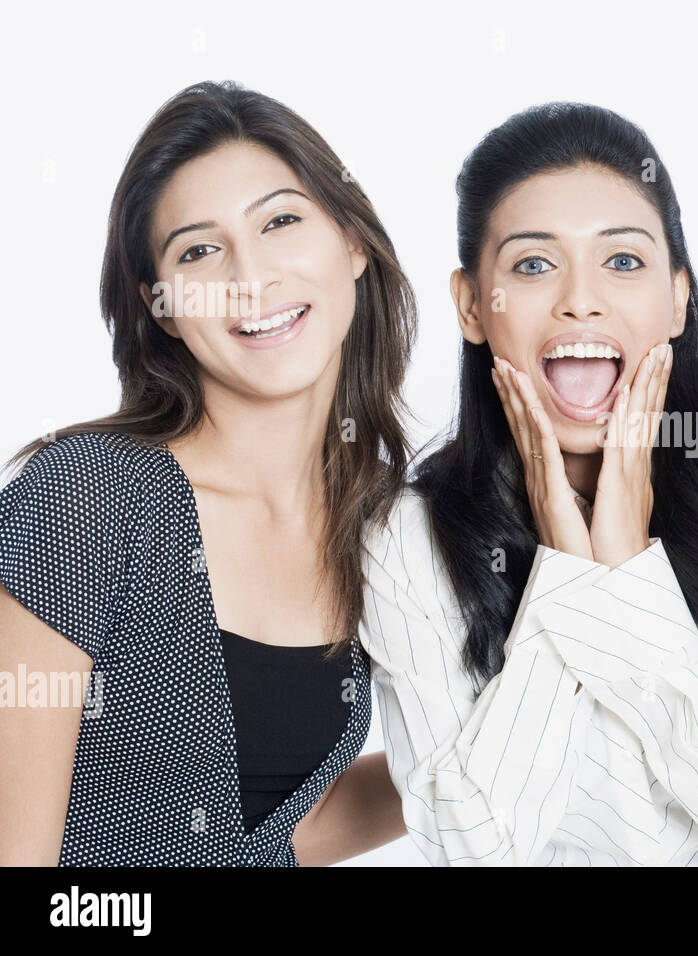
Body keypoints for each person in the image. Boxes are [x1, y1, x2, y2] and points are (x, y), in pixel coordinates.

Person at [360, 102, 698, 865]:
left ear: (678, 298)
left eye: (622, 262)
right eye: (532, 264)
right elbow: (472, 847)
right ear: (470, 306)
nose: (580, 299)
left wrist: (627, 567)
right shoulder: (404, 538)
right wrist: (571, 567)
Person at [0, 81, 411, 865]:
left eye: (282, 221)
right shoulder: (87, 498)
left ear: (352, 244)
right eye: (199, 249)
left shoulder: (382, 525)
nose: (250, 277)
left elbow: (282, 825)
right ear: (161, 305)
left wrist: (486, 749)